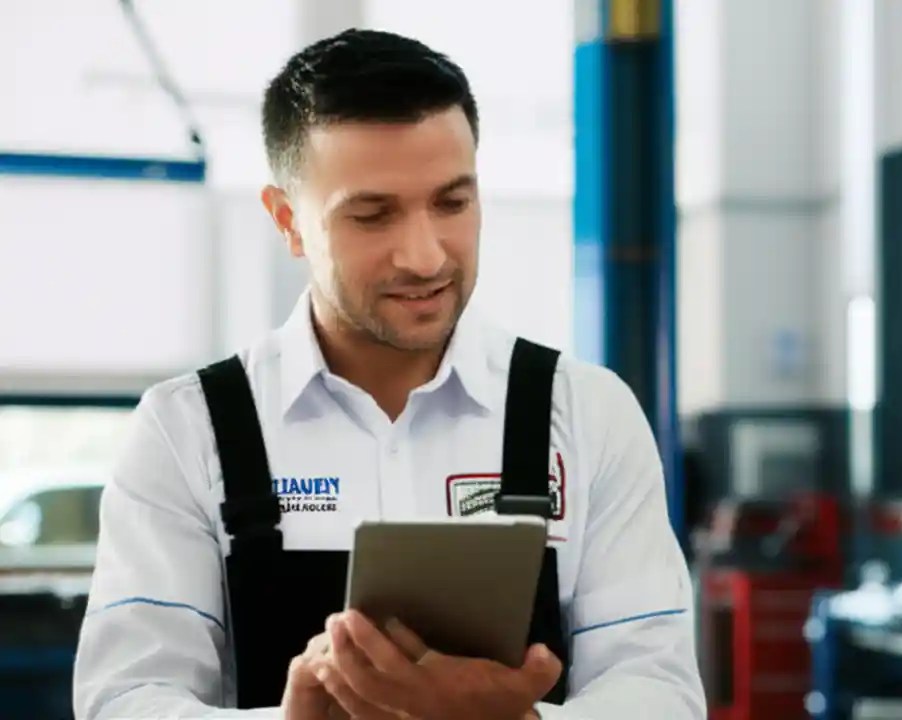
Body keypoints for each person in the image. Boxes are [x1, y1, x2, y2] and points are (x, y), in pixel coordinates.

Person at [72, 28, 705, 720]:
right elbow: (124, 701)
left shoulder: (587, 414)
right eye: (372, 216)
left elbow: (661, 693)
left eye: (452, 203)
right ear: (287, 221)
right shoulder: (187, 430)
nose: (425, 255)